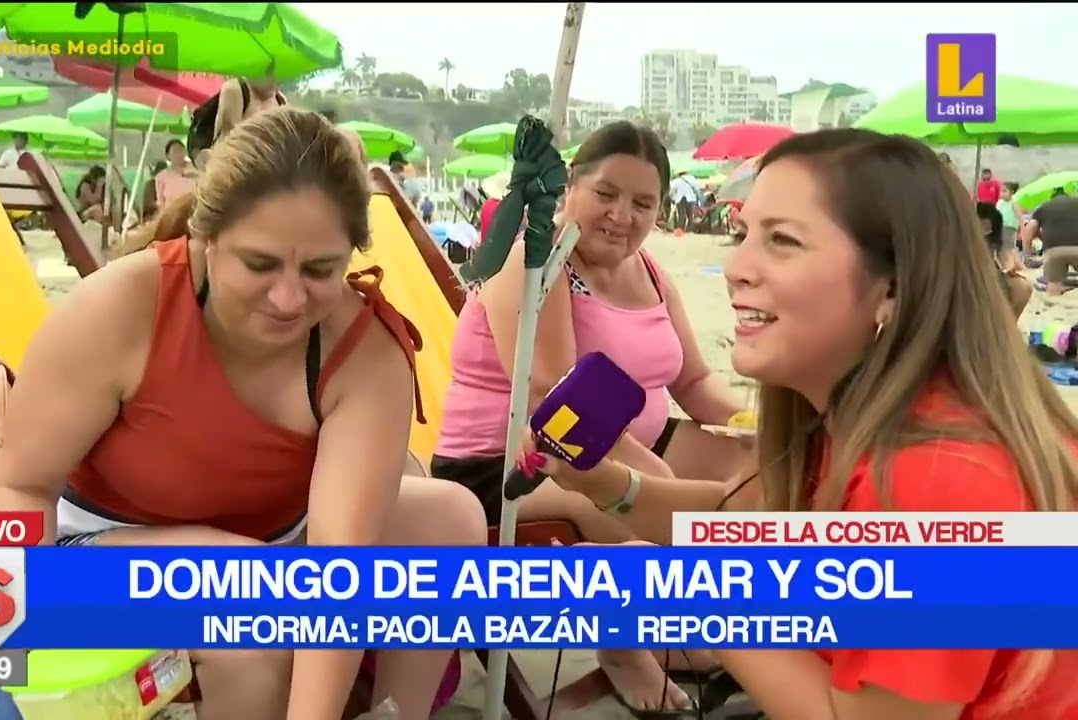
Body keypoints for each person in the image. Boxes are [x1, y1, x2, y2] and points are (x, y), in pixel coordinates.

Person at [521, 127, 1078, 719]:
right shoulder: (865, 416)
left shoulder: (940, 477)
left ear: (891, 289)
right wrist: (606, 486)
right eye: (743, 234)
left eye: (782, 241)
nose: (736, 267)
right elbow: (745, 521)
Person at [0, 108, 486, 720]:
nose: (290, 297)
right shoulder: (122, 309)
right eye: (260, 264)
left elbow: (341, 565)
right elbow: (20, 485)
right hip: (94, 543)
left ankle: (398, 711)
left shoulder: (366, 354)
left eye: (321, 270)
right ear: (206, 238)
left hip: (271, 539)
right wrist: (8, 650)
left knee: (450, 516)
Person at [431, 119, 748, 713]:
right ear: (569, 186)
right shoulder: (536, 264)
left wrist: (753, 428)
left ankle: (717, 627)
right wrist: (668, 491)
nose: (621, 215)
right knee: (681, 514)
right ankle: (628, 640)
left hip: (630, 445)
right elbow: (562, 403)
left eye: (642, 203)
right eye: (606, 194)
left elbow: (697, 383)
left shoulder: (649, 271)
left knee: (759, 474)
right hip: (516, 465)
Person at [1021, 187, 1078, 296]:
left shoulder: (1044, 207)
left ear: (1052, 198)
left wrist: (1026, 254)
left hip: (1053, 250)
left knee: (1054, 282)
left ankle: (1054, 303)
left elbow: (1028, 231)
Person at [154, 139, 195, 209]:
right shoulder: (161, 177)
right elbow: (160, 203)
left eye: (180, 150)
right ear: (168, 156)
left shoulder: (195, 168)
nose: (178, 154)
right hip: (172, 214)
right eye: (175, 151)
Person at [998, 180, 1025, 263]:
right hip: (1000, 228)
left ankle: (1011, 264)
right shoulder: (999, 203)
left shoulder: (1013, 203)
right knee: (1000, 248)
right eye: (1001, 191)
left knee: (1009, 248)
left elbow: (1020, 217)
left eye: (1005, 191)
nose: (1002, 193)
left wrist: (1022, 231)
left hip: (1010, 228)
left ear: (1012, 192)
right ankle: (1003, 264)